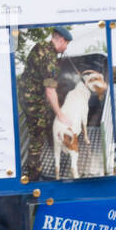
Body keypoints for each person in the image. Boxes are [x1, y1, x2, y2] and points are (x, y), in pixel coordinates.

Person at [17, 26, 75, 180]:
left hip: (28, 93)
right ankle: (34, 176)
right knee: (37, 134)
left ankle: (55, 147)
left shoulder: (41, 46)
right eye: (66, 43)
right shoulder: (49, 58)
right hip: (32, 99)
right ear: (61, 40)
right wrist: (61, 115)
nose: (66, 47)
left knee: (48, 120)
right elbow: (50, 91)